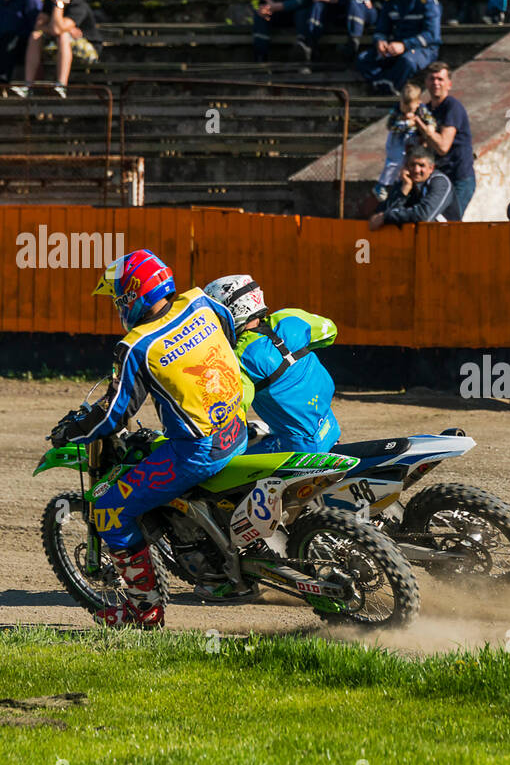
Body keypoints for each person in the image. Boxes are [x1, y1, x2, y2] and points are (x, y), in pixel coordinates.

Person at [48, 251, 247, 628]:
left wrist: (70, 431)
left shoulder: (137, 345)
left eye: (119, 298)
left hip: (197, 450)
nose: (119, 306)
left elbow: (113, 415)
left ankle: (144, 611)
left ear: (134, 294)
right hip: (237, 426)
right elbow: (230, 335)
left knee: (109, 507)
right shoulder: (201, 301)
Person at [203, 275, 341, 454]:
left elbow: (232, 412)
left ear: (233, 312)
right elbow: (330, 332)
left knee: (225, 466)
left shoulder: (238, 358)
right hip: (329, 426)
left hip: (299, 449)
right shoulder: (288, 318)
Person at [356, 0, 441, 96]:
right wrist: (380, 41)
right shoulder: (392, 2)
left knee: (407, 61)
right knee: (363, 59)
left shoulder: (428, 2)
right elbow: (381, 29)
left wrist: (405, 45)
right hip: (394, 48)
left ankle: (389, 88)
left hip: (422, 49)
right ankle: (381, 83)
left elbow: (432, 35)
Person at [22, 0, 102, 95]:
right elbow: (38, 25)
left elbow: (56, 30)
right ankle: (28, 86)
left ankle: (61, 86)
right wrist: (60, 27)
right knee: (35, 36)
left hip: (89, 51)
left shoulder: (78, 5)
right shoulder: (49, 2)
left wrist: (59, 5)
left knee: (63, 36)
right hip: (60, 49)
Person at [415, 61, 474, 219]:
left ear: (449, 84)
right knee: (435, 220)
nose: (436, 83)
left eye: (440, 79)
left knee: (448, 223)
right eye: (432, 79)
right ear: (426, 83)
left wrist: (420, 125)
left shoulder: (452, 107)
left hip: (458, 177)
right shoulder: (426, 110)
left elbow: (442, 146)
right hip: (439, 176)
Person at [374, 80, 437, 201]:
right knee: (395, 161)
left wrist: (430, 126)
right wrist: (406, 122)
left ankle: (402, 184)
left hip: (412, 139)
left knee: (410, 161)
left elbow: (430, 119)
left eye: (410, 110)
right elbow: (390, 126)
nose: (408, 112)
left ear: (418, 103)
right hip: (397, 139)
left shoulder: (421, 109)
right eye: (405, 108)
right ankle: (382, 185)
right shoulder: (396, 110)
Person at [369, 145, 452, 227]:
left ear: (431, 168)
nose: (416, 170)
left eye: (421, 165)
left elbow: (424, 216)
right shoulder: (406, 182)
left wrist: (386, 217)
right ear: (406, 167)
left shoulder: (440, 182)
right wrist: (404, 191)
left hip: (447, 235)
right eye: (412, 165)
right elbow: (380, 214)